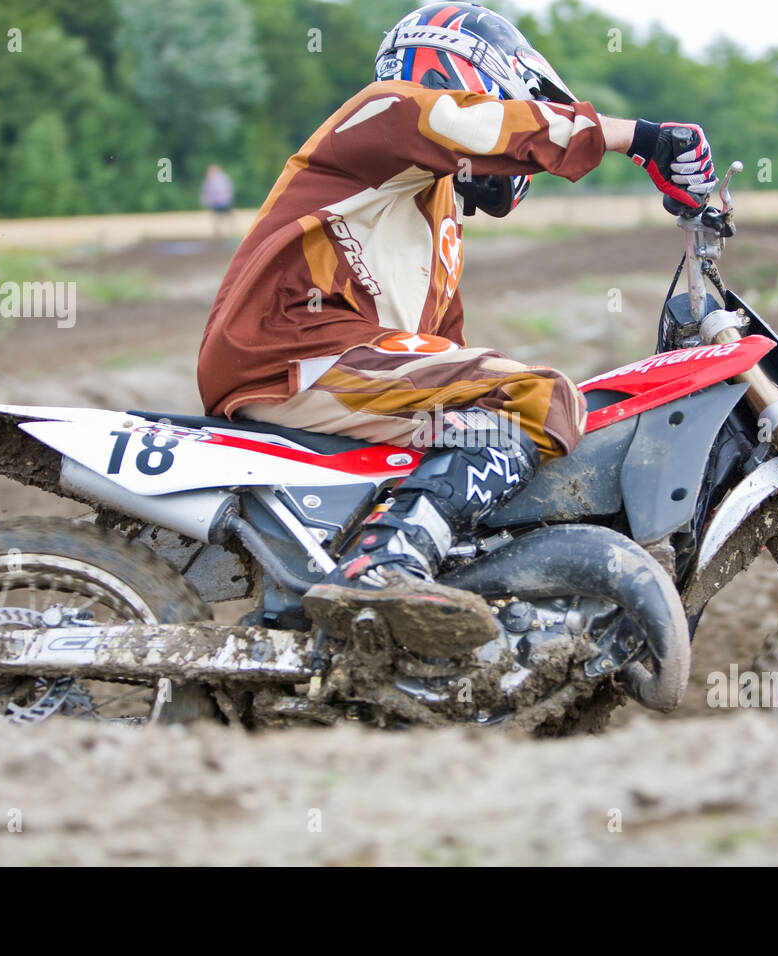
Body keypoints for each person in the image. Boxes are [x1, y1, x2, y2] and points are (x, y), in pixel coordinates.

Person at [197, 2, 717, 652]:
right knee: (536, 395)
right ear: (471, 75)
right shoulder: (384, 114)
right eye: (517, 101)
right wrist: (641, 138)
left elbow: (443, 351)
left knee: (490, 413)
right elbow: (464, 122)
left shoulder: (436, 217)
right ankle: (385, 566)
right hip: (296, 355)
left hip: (342, 368)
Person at [199, 164, 235, 237]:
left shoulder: (222, 178)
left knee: (226, 215)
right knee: (217, 217)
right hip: (216, 202)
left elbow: (228, 189)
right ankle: (219, 231)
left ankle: (231, 229)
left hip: (223, 201)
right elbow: (206, 191)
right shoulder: (209, 180)